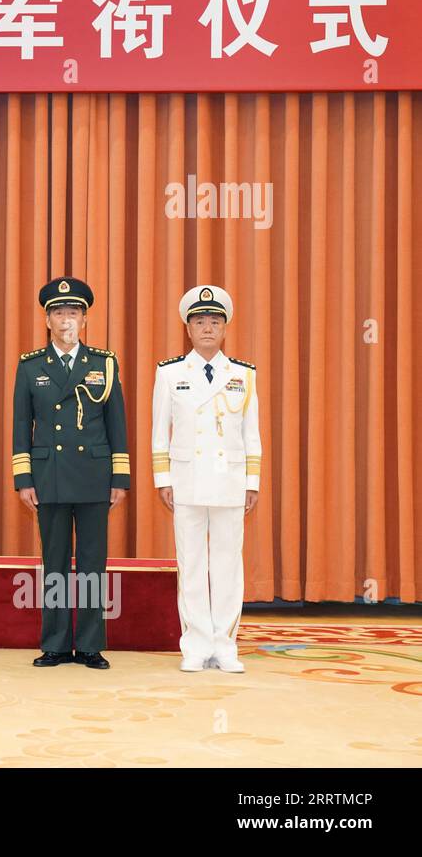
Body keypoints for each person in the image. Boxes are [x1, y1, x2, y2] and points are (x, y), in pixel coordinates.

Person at [12, 277, 129, 670]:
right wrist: (24, 478)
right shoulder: (30, 366)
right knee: (56, 561)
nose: (66, 319)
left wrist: (120, 477)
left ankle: (92, 644)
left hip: (94, 474)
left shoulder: (103, 363)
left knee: (93, 562)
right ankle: (57, 643)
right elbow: (20, 426)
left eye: (73, 312)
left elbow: (117, 424)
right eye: (59, 312)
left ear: (84, 320)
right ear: (47, 319)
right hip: (50, 476)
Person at [152, 285, 260, 674]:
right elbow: (159, 431)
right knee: (192, 563)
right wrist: (163, 478)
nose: (208, 328)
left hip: (230, 480)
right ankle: (196, 643)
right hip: (187, 480)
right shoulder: (170, 373)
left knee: (228, 565)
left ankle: (225, 644)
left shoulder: (243, 375)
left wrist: (252, 482)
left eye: (215, 321)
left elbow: (252, 433)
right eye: (200, 321)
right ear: (188, 328)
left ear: (225, 328)